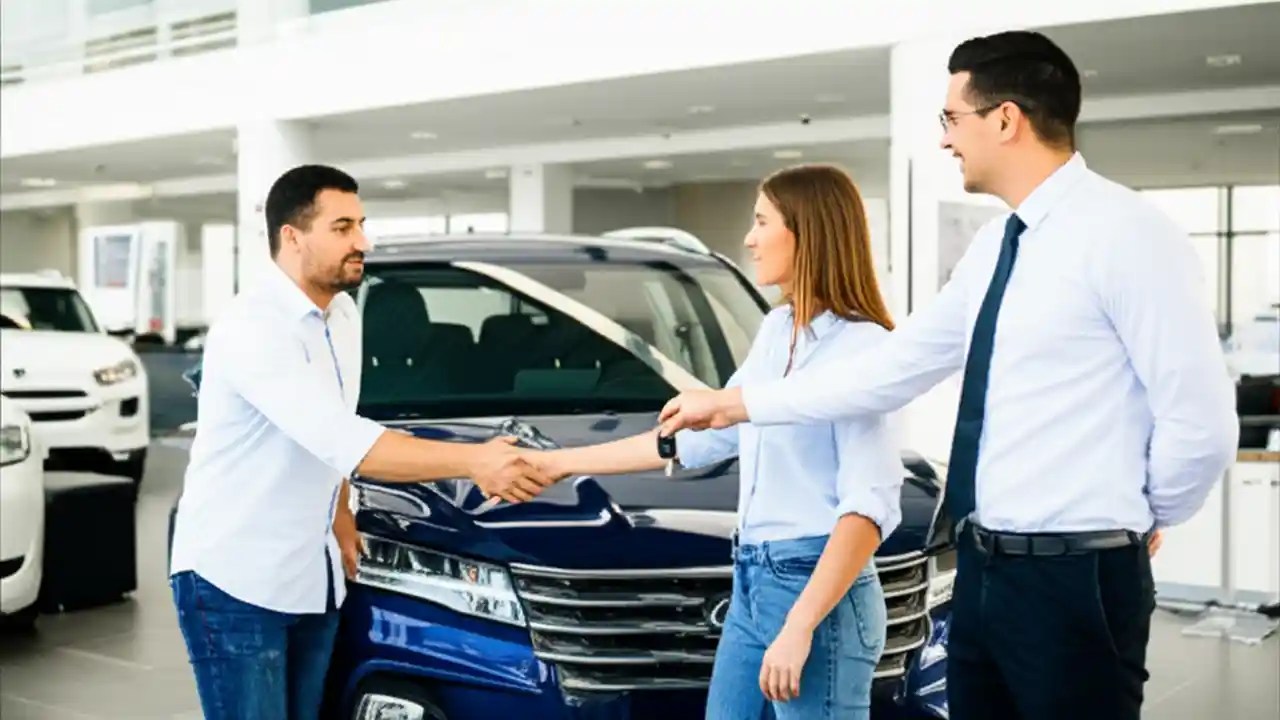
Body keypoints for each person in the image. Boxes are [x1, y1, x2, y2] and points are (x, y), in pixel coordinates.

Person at [656, 31, 1239, 720]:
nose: (943, 140)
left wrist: (1139, 516)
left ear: (1005, 118)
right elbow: (892, 369)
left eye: (950, 119)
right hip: (982, 569)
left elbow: (1200, 423)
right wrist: (737, 404)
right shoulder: (997, 246)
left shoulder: (1129, 234)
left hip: (1076, 576)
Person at [168, 164, 553, 720]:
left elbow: (331, 424)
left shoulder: (343, 315)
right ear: (292, 237)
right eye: (344, 227)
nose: (362, 242)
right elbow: (349, 441)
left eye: (361, 224)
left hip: (311, 573)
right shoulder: (252, 328)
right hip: (236, 582)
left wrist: (342, 504)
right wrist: (473, 460)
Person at [534, 164, 902, 720]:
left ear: (809, 232)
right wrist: (560, 464)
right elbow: (698, 439)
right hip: (752, 579)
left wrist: (800, 626)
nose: (749, 239)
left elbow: (867, 511)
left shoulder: (862, 351)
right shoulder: (779, 331)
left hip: (815, 591)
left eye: (761, 222)